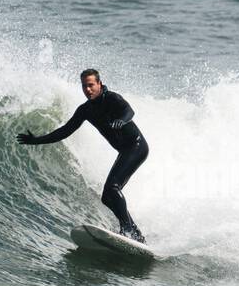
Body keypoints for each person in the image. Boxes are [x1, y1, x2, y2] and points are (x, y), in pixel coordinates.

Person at [17, 69, 149, 242]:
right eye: (84, 86)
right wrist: (36, 140)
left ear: (99, 84)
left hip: (137, 146)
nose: (87, 89)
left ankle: (127, 230)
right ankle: (135, 233)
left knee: (112, 188)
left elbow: (129, 111)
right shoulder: (85, 110)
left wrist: (122, 120)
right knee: (107, 197)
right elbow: (65, 131)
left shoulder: (112, 99)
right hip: (125, 151)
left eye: (91, 85)